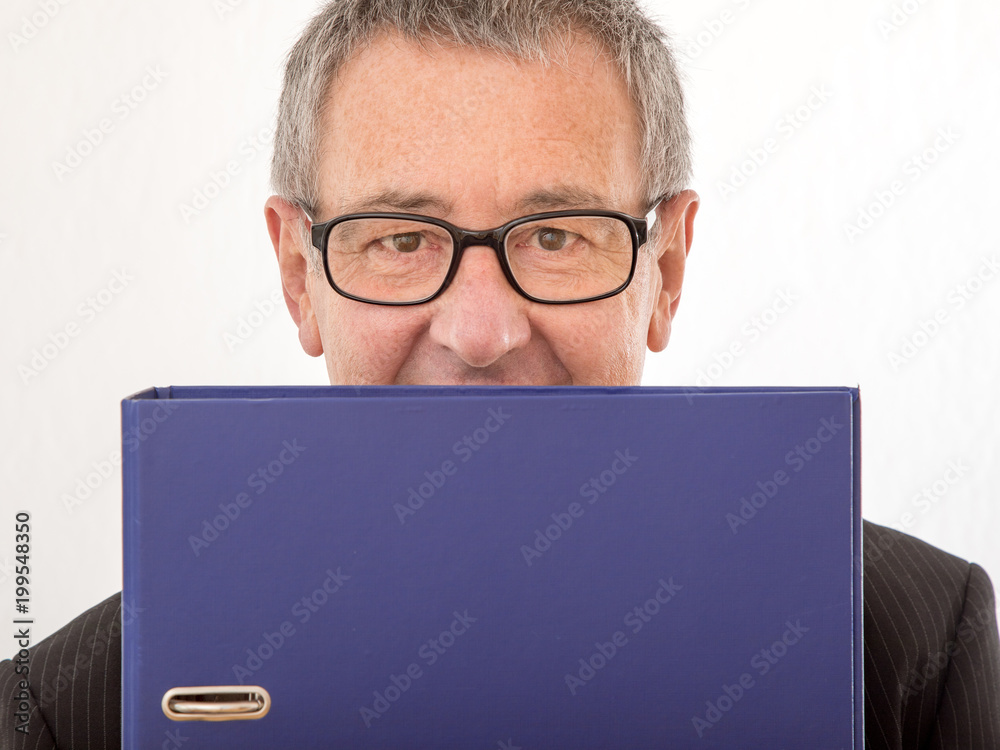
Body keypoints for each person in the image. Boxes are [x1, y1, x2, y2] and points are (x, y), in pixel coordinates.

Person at [2, 0, 998, 747]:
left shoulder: (918, 652)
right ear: (299, 278)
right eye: (400, 238)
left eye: (556, 234)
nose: (480, 332)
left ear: (666, 271)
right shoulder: (63, 709)